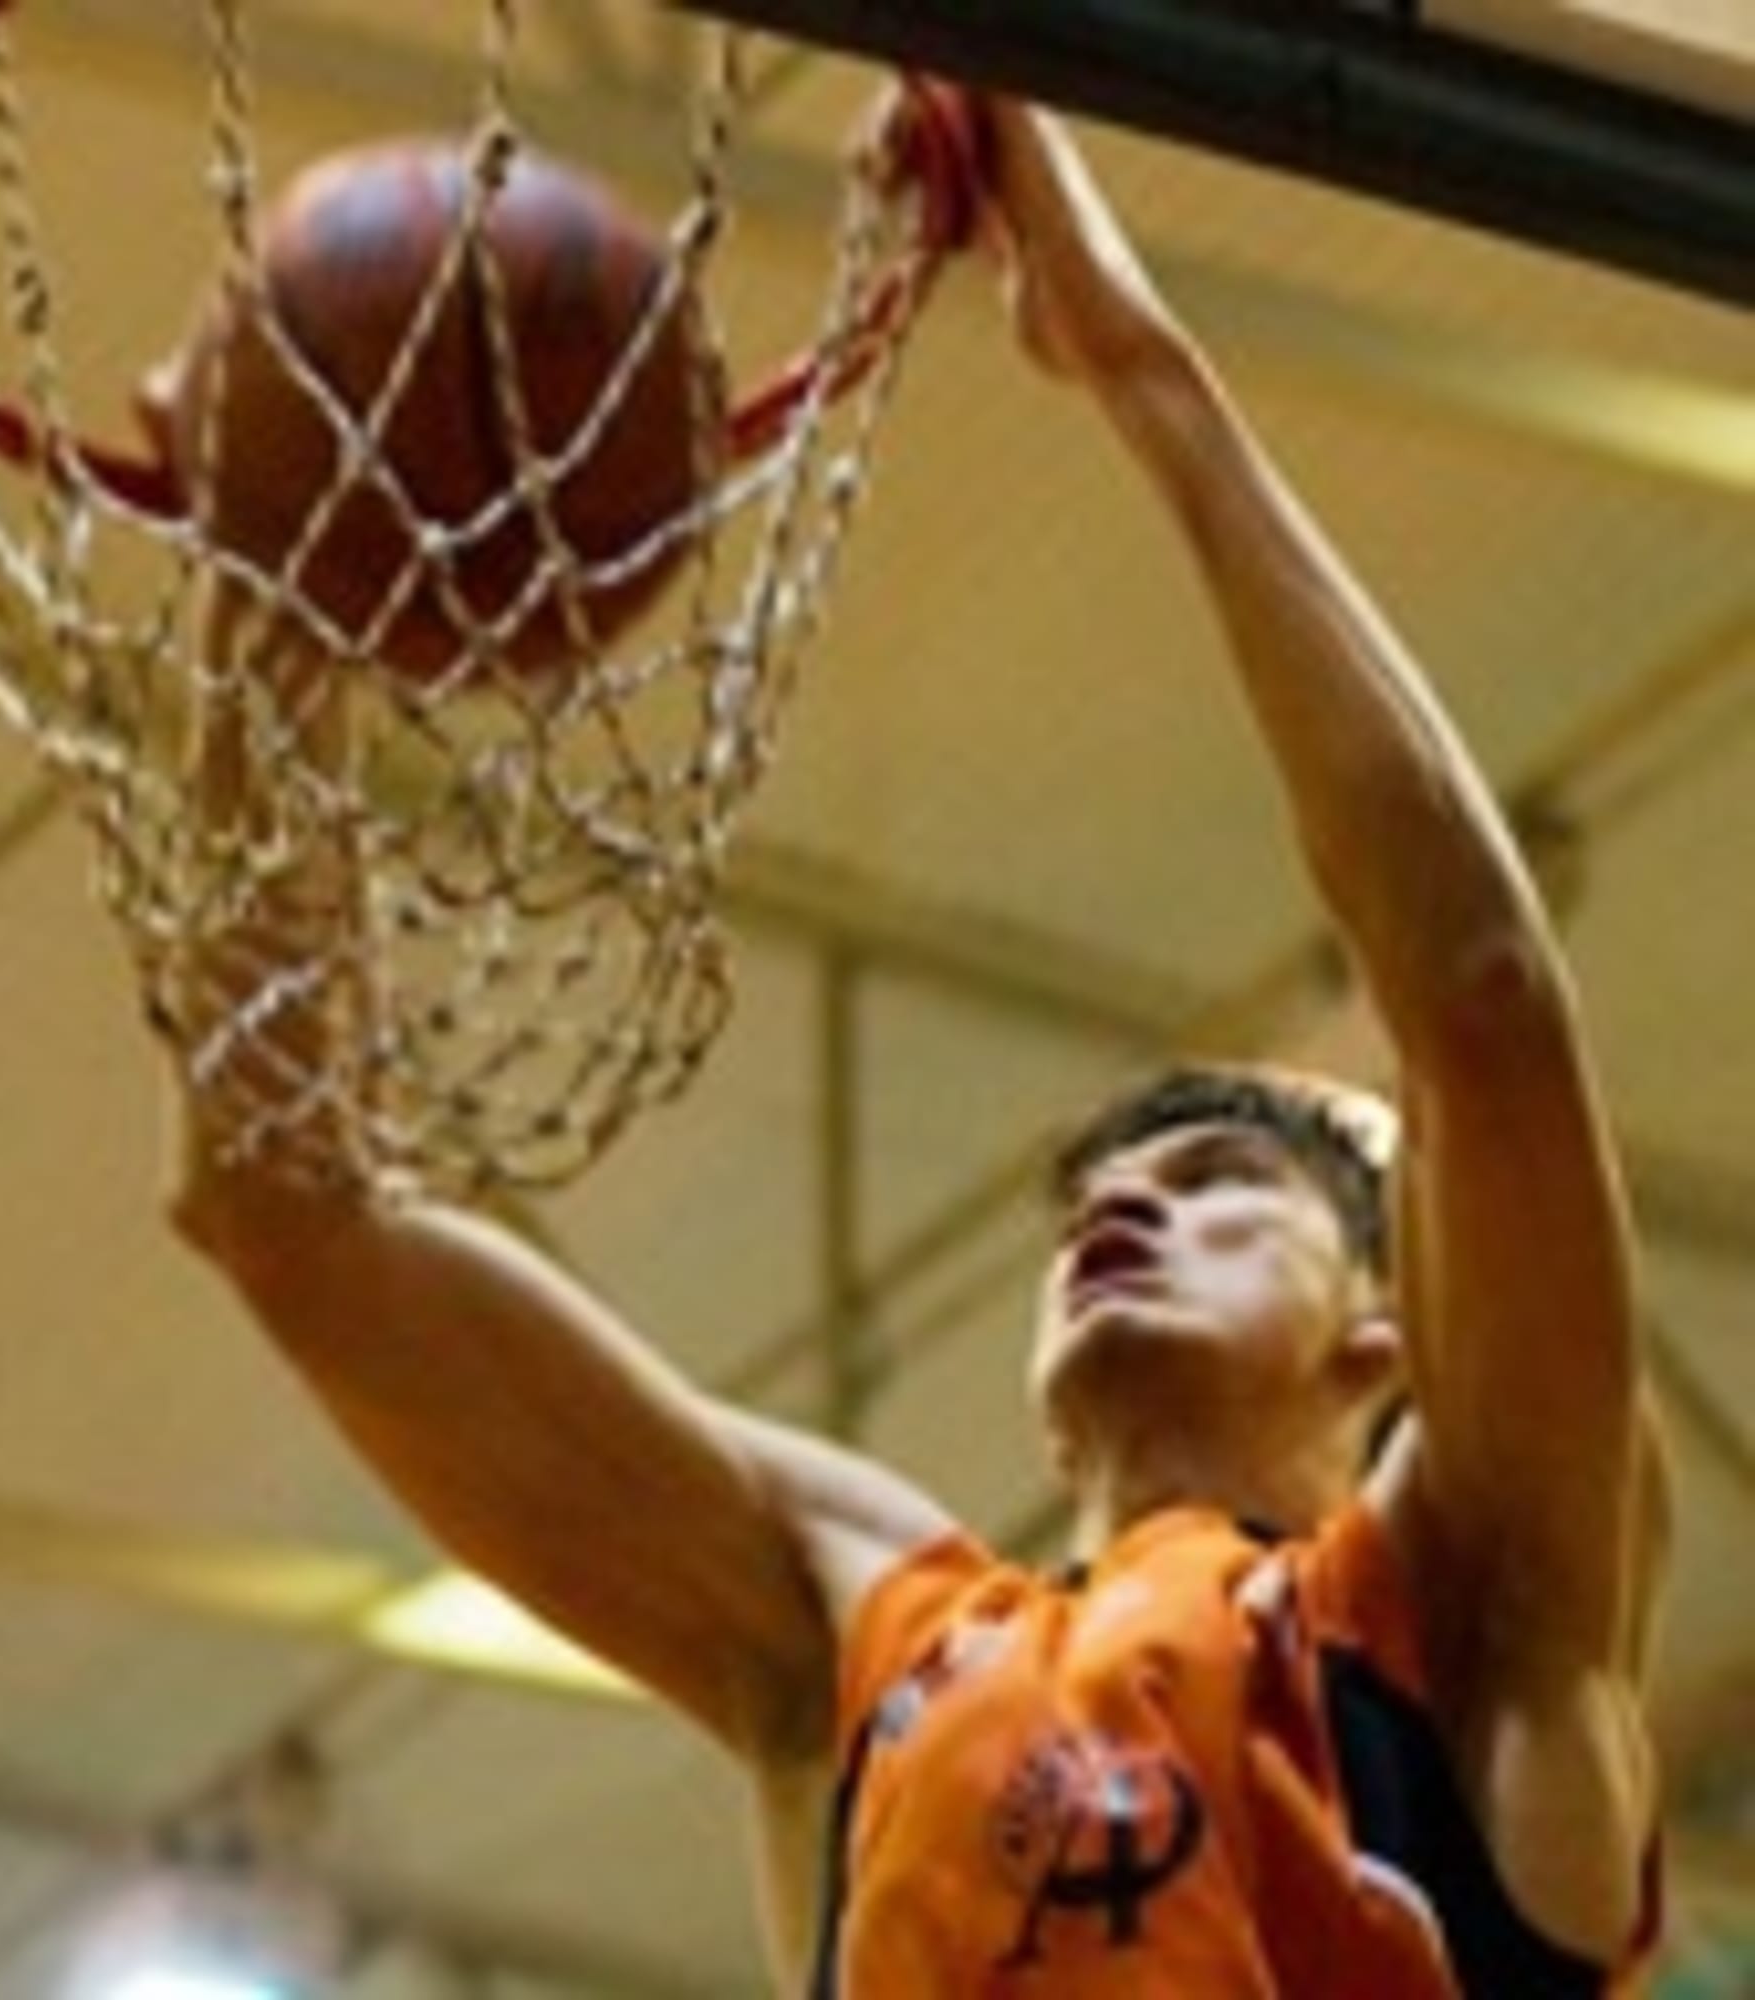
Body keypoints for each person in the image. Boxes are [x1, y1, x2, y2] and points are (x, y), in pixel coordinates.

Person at [166, 96, 1667, 1998]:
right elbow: (287, 1211)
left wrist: (1134, 358)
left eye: (1222, 1183)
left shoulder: (1477, 1611)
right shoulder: (855, 1625)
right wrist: (272, 598)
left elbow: (1484, 1005)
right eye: (1104, 1189)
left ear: (1387, 1335)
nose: (1122, 1204)